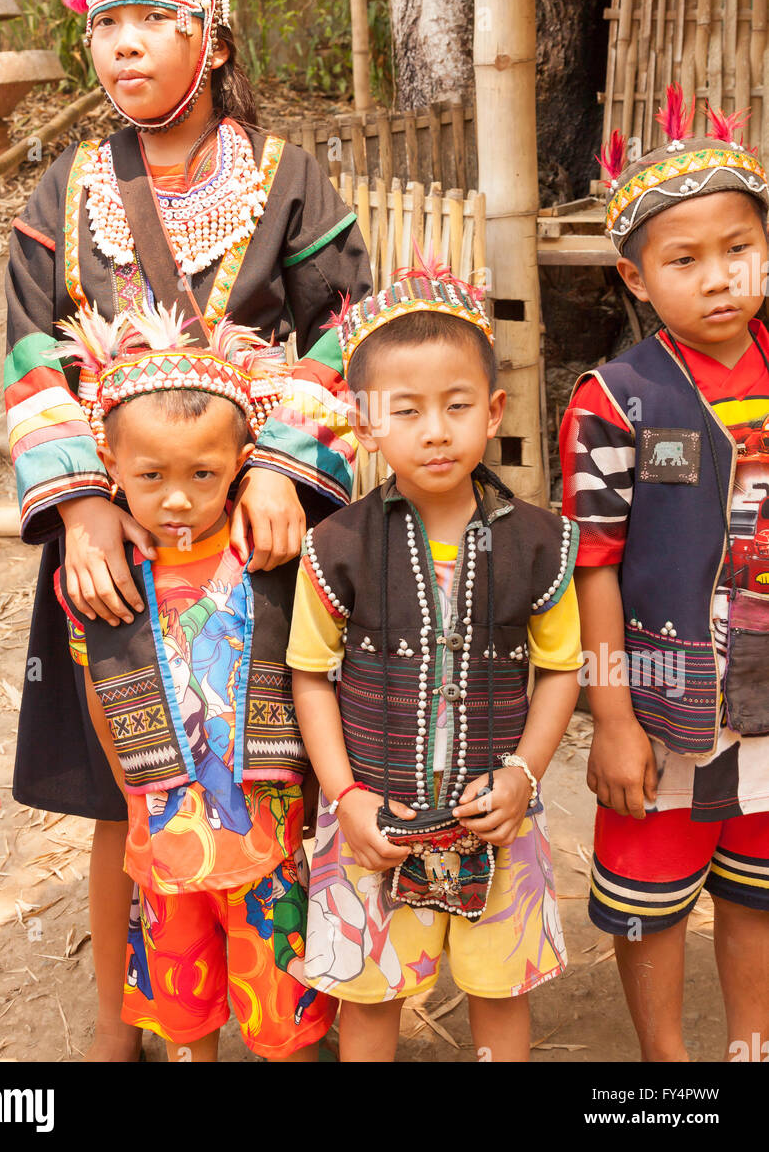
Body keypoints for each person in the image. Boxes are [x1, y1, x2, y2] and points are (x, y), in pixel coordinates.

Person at [4, 0, 371, 1058]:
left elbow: (343, 326)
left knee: (271, 764)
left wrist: (277, 464)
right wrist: (81, 515)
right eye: (105, 22)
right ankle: (129, 1026)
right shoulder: (63, 192)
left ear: (210, 38)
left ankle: (287, 1012)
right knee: (122, 782)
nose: (124, 47)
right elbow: (27, 353)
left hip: (254, 540)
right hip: (119, 546)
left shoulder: (290, 179)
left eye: (153, 18)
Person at [288, 258, 582, 1062]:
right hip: (372, 821)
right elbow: (310, 675)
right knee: (372, 999)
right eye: (406, 410)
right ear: (364, 421)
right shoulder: (338, 545)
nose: (435, 430)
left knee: (500, 991)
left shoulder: (537, 541)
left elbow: (560, 670)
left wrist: (524, 774)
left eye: (457, 406)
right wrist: (344, 796)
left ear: (493, 412)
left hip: (499, 815)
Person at [52, 299, 336, 1062]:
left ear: (242, 464)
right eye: (151, 474)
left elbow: (311, 678)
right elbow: (102, 705)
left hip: (268, 841)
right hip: (165, 846)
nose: (177, 497)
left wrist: (311, 796)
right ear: (108, 465)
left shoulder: (273, 561)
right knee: (185, 1019)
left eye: (203, 473)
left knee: (285, 1017)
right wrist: (137, 807)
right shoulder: (108, 580)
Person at [560, 84, 769, 1062]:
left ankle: (746, 1048)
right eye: (683, 260)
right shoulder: (616, 402)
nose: (718, 278)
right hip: (660, 697)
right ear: (635, 279)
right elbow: (591, 570)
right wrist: (609, 717)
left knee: (755, 890)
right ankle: (664, 1066)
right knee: (647, 898)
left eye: (736, 248)